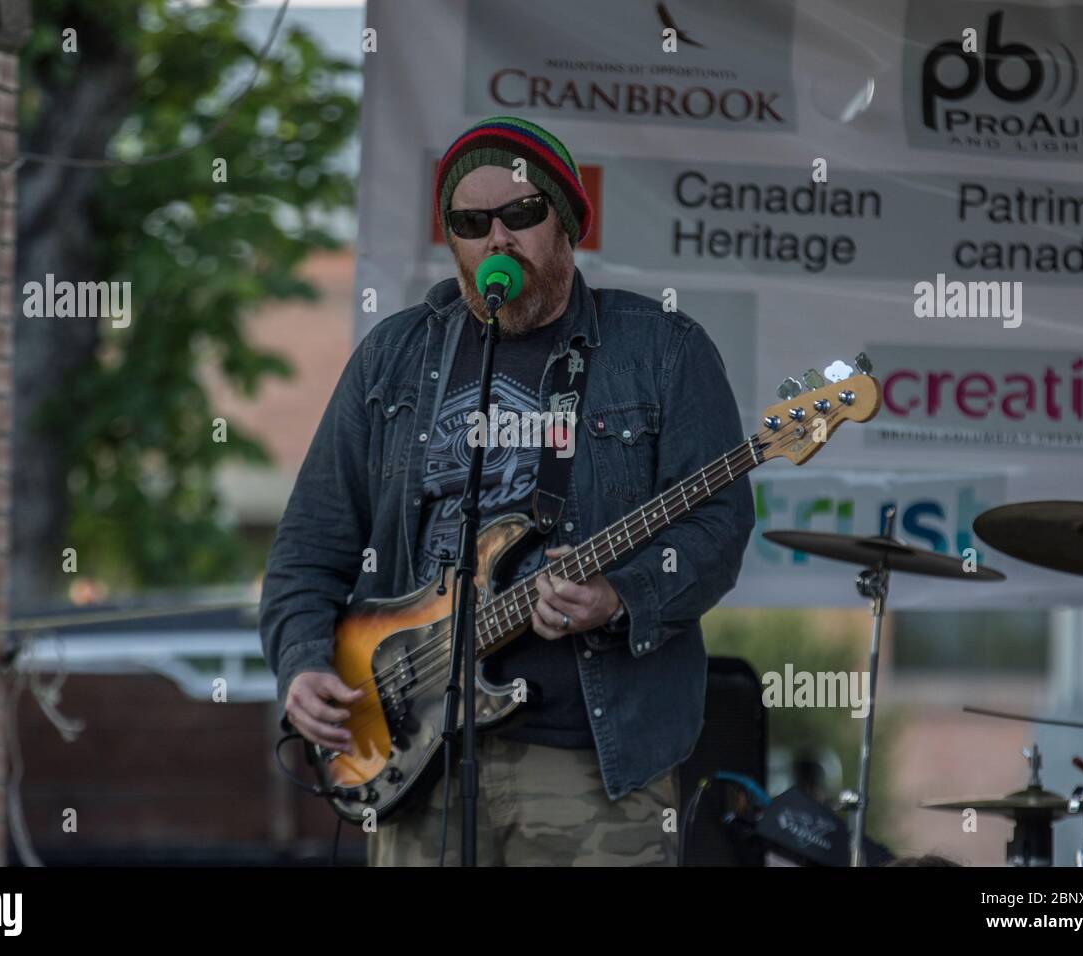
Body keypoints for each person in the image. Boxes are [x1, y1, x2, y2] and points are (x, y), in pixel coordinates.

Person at [260, 116, 755, 866]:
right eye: (471, 221)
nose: (498, 238)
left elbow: (717, 528)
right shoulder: (392, 357)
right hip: (412, 765)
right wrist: (302, 662)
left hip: (591, 761)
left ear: (568, 225)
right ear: (453, 240)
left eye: (521, 214)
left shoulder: (663, 351)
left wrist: (620, 598)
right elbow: (309, 545)